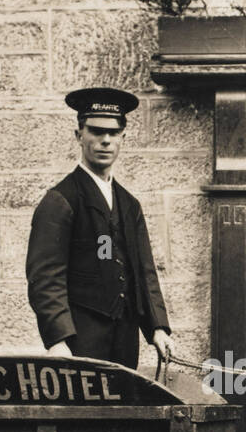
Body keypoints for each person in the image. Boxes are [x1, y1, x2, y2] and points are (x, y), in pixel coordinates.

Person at [24, 86, 174, 368]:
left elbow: (144, 272)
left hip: (124, 339)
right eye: (96, 131)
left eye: (113, 133)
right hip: (79, 340)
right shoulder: (60, 200)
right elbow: (45, 278)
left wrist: (157, 328)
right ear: (79, 136)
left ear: (123, 138)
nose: (105, 141)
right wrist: (58, 341)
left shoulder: (130, 205)